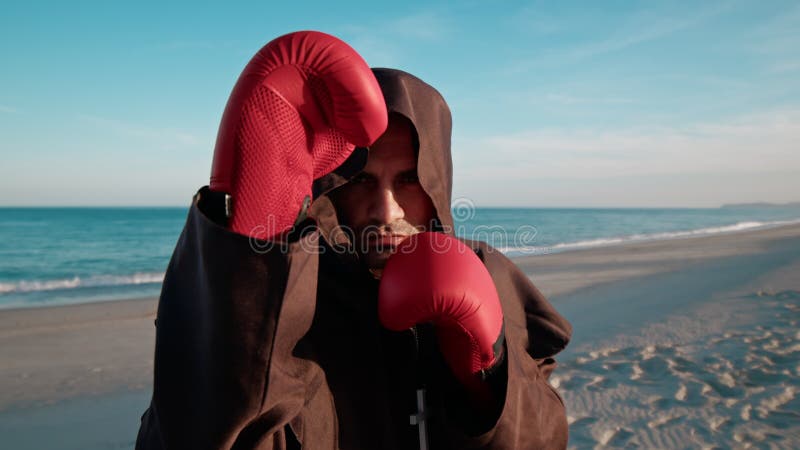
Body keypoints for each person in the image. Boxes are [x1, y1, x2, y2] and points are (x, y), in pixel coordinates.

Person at [136, 31, 572, 450]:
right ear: (332, 185)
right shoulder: (291, 296)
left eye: (408, 180)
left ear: (438, 184)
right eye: (362, 180)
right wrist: (251, 237)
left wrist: (485, 376)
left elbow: (546, 439)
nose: (386, 212)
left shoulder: (484, 270)